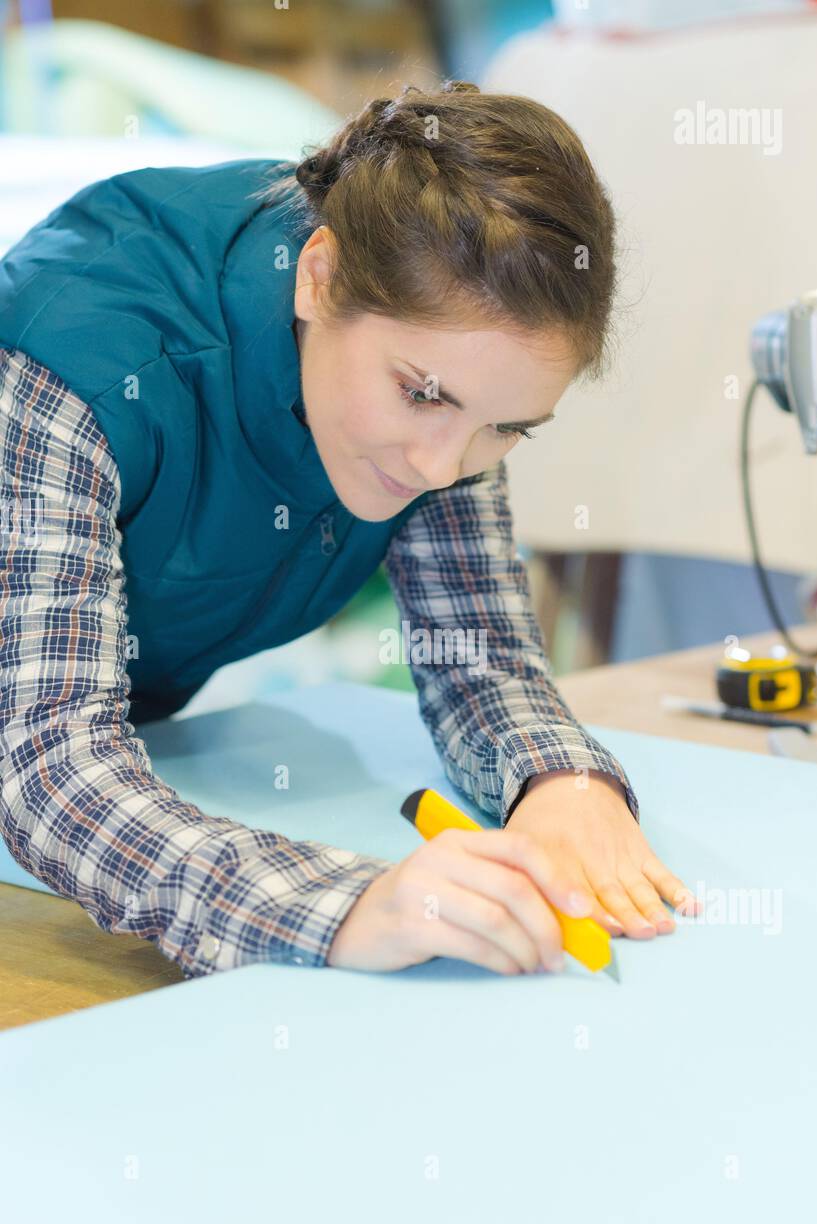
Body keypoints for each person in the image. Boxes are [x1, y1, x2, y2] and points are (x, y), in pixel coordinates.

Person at [0, 81, 697, 980]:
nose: (443, 468)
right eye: (421, 393)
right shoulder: (69, 361)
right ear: (319, 277)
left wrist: (560, 780)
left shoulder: (438, 374)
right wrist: (347, 909)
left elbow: (476, 650)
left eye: (508, 428)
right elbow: (47, 761)